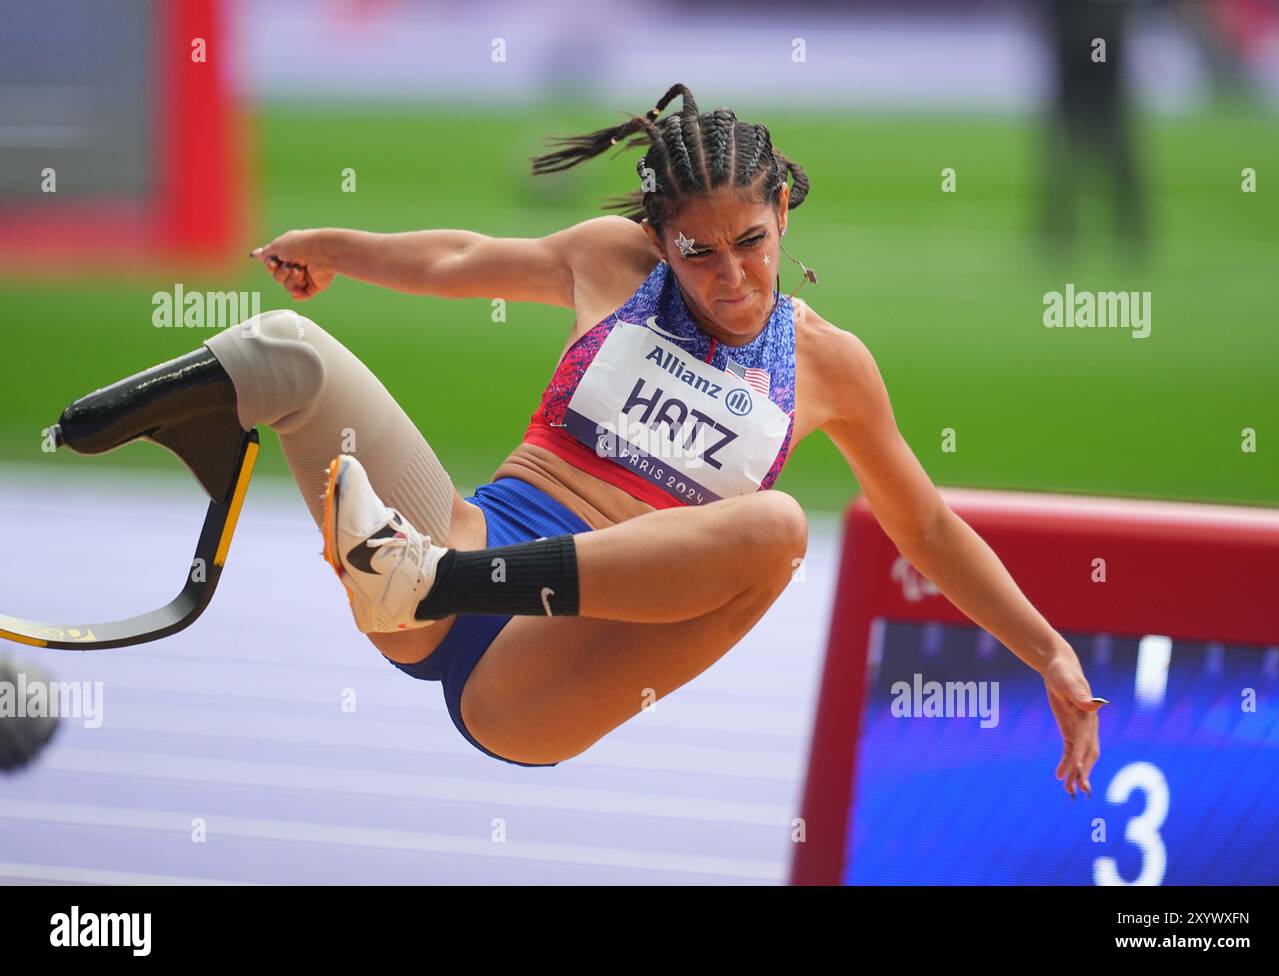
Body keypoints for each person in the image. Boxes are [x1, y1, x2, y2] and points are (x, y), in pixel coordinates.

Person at [69, 84, 1103, 790]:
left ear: (783, 209)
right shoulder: (612, 262)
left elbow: (922, 525)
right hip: (456, 543)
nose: (732, 277)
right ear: (660, 237)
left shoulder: (830, 366)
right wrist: (330, 247)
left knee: (780, 528)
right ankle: (104, 430)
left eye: (752, 243)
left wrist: (1048, 650)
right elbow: (457, 258)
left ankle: (425, 578)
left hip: (549, 674)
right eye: (699, 254)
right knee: (281, 348)